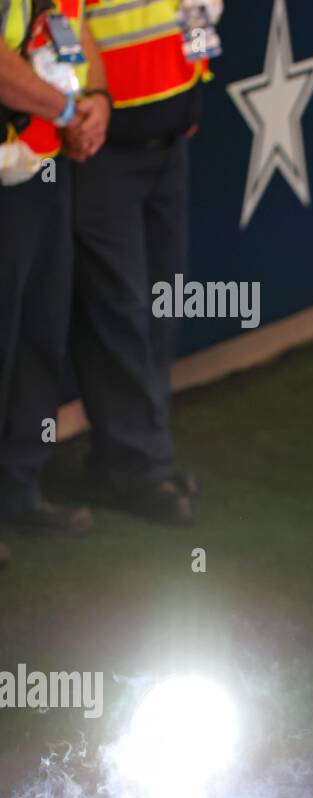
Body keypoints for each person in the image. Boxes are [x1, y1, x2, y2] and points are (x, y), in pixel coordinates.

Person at [59, 0, 214, 524]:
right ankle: (137, 465)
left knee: (158, 307)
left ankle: (134, 455)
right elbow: (65, 25)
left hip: (168, 142)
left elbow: (194, 11)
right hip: (102, 150)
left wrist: (192, 85)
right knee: (117, 309)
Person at [0, 0, 108, 566]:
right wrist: (70, 108)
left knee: (40, 339)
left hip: (44, 170)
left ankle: (18, 490)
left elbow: (79, 27)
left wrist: (98, 103)